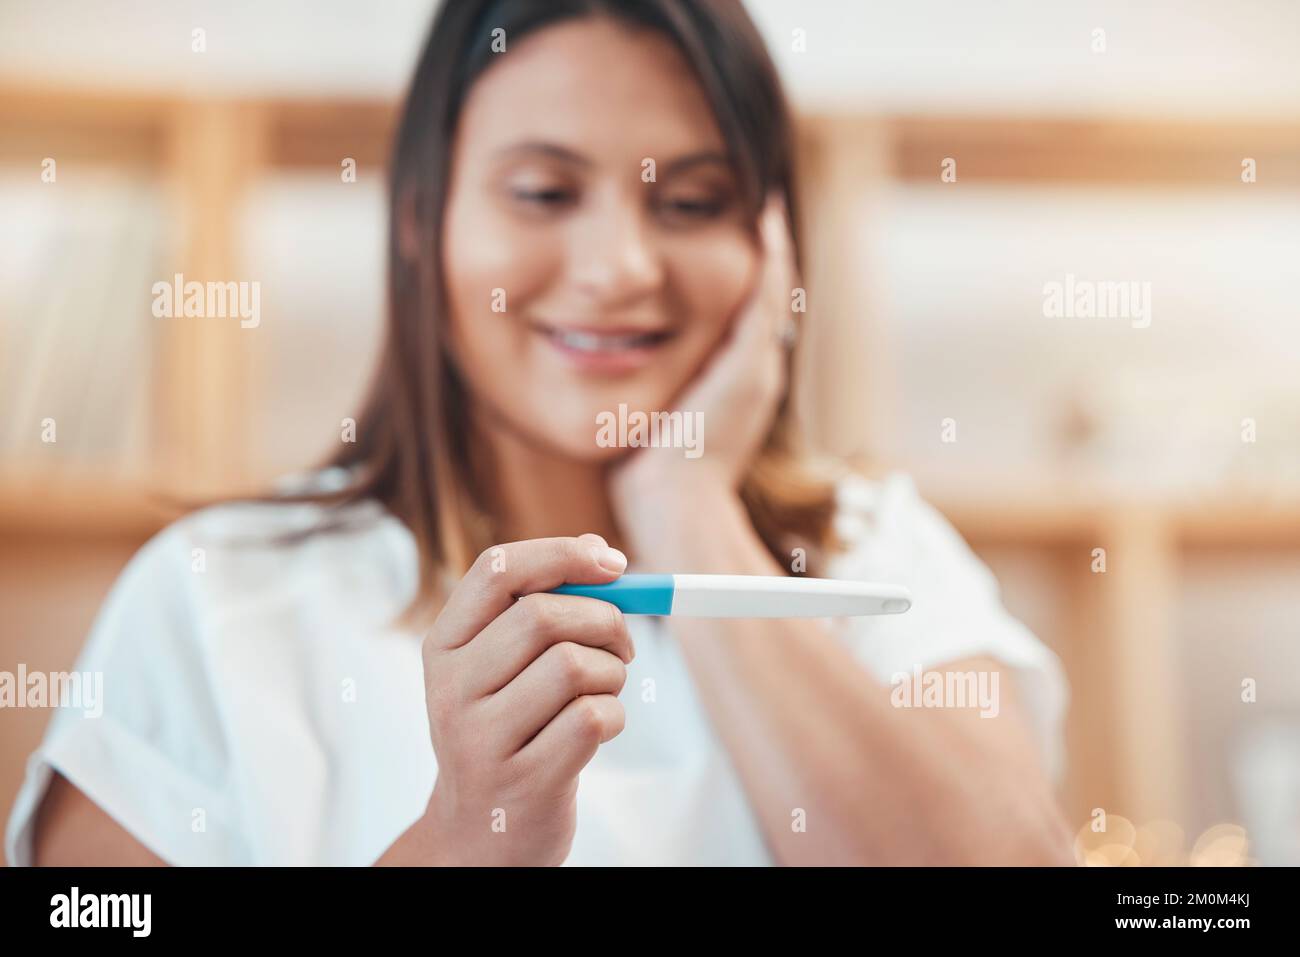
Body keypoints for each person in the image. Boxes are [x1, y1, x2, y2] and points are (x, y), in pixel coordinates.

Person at [7, 0, 1072, 866]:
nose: (618, 266)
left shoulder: (875, 550)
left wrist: (685, 508)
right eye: (543, 191)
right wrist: (467, 839)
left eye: (693, 203)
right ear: (423, 222)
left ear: (772, 248)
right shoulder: (216, 596)